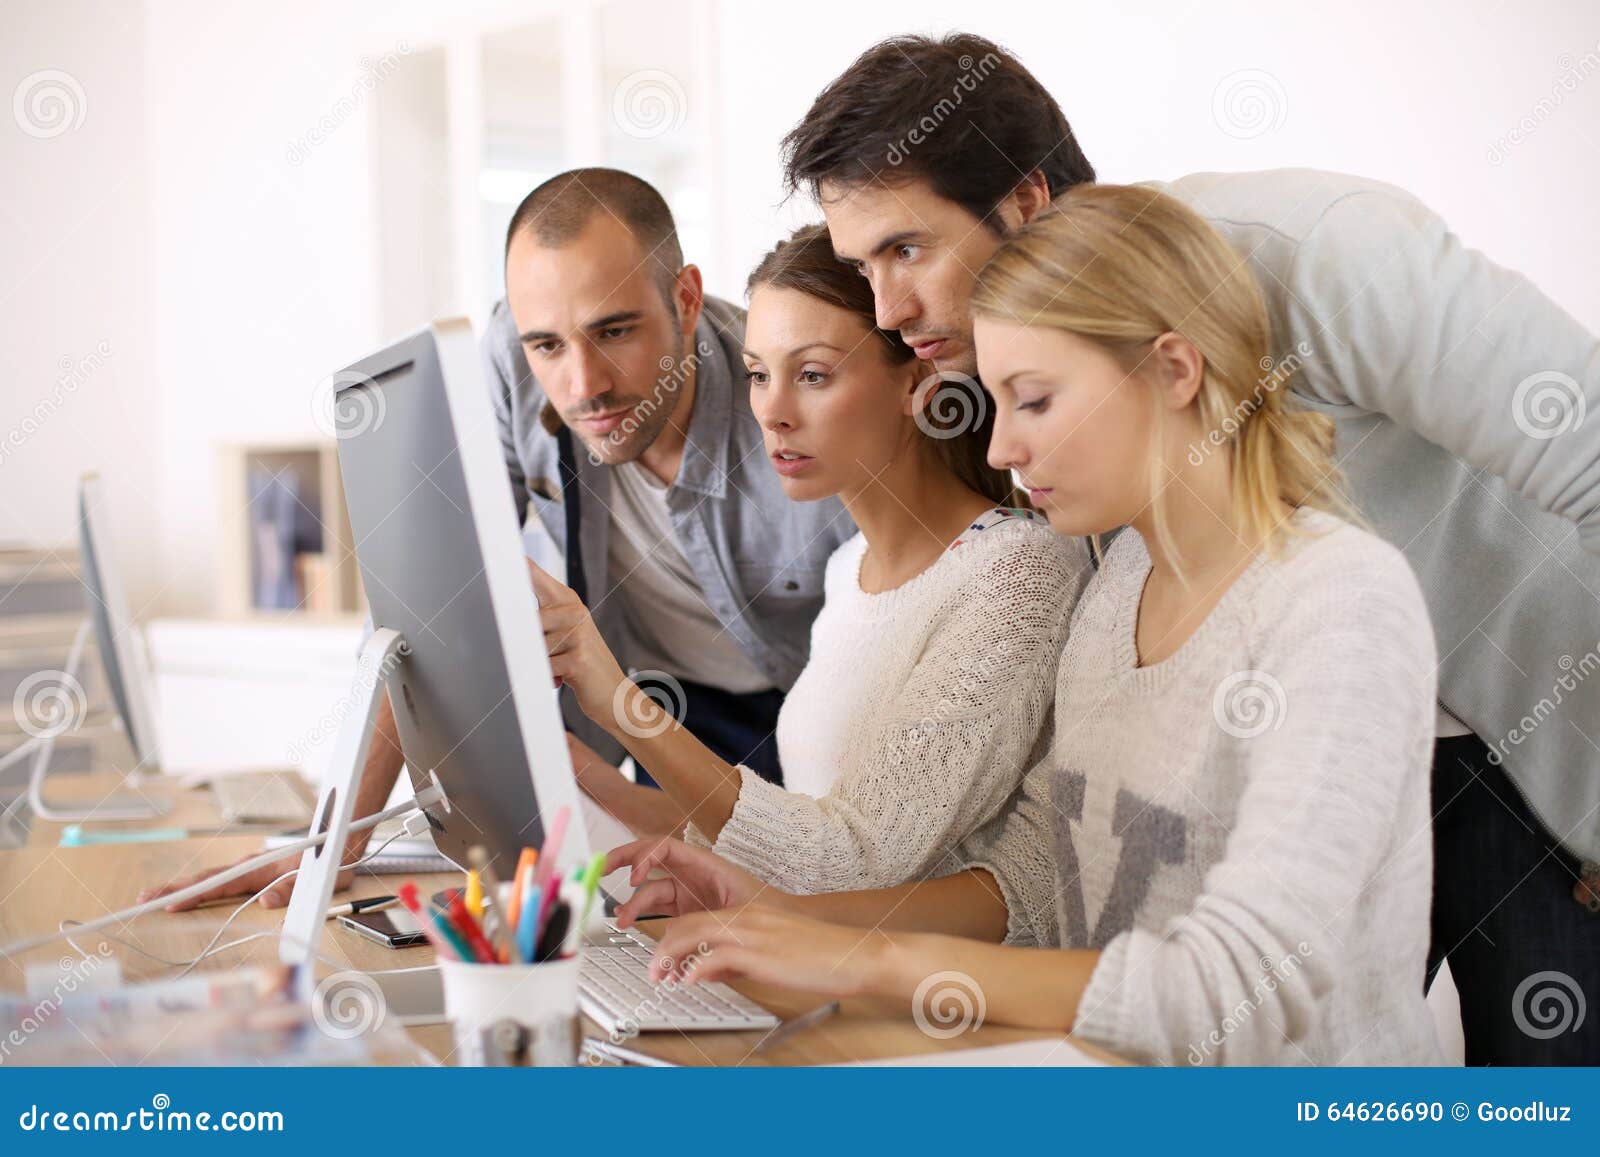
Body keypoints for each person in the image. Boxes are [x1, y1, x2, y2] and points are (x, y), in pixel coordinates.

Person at [779, 32, 1600, 1065]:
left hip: (1529, 754)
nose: (887, 310)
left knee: (1542, 1091)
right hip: (1300, 758)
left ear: (1025, 202)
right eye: (862, 267)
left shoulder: (1315, 251)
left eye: (906, 250)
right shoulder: (1015, 394)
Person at [605, 184, 1444, 1066]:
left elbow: (1237, 988)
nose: (1000, 448)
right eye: (996, 403)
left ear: (1174, 371)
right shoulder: (1119, 585)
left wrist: (865, 957)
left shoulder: (1339, 602)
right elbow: (1037, 879)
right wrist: (783, 915)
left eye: (1034, 400)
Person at [138, 169, 854, 910]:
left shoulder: (793, 402)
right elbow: (425, 595)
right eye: (547, 344)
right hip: (659, 711)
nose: (583, 384)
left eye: (614, 331)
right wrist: (336, 843)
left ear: (686, 298)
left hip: (812, 711)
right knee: (666, 915)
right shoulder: (511, 360)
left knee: (804, 903)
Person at [538, 224, 1087, 890]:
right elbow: (790, 836)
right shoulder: (848, 570)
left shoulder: (1016, 576)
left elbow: (852, 859)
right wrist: (576, 767)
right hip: (835, 954)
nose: (772, 412)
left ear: (917, 381)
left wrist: (617, 699)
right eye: (758, 374)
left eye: (813, 375)